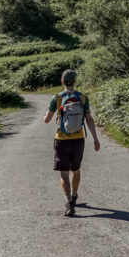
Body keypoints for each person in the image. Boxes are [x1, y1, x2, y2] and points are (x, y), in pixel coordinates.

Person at [43, 69, 100, 217]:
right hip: (78, 139)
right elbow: (88, 119)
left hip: (62, 140)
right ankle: (74, 195)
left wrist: (46, 115)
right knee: (76, 169)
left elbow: (47, 120)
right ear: (75, 82)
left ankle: (68, 202)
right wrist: (95, 138)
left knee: (64, 174)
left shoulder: (56, 97)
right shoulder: (82, 97)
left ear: (62, 82)